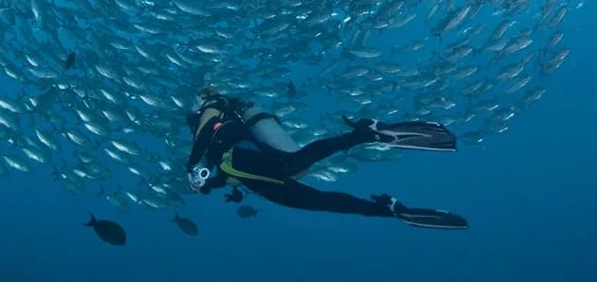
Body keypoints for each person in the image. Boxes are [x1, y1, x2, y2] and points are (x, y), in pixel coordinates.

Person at [185, 89, 468, 229]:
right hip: (251, 175)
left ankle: (364, 134)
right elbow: (221, 173)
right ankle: (389, 210)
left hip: (244, 157)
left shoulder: (212, 111)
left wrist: (191, 166)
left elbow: (202, 139)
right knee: (316, 202)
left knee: (293, 164)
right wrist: (211, 183)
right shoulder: (212, 133)